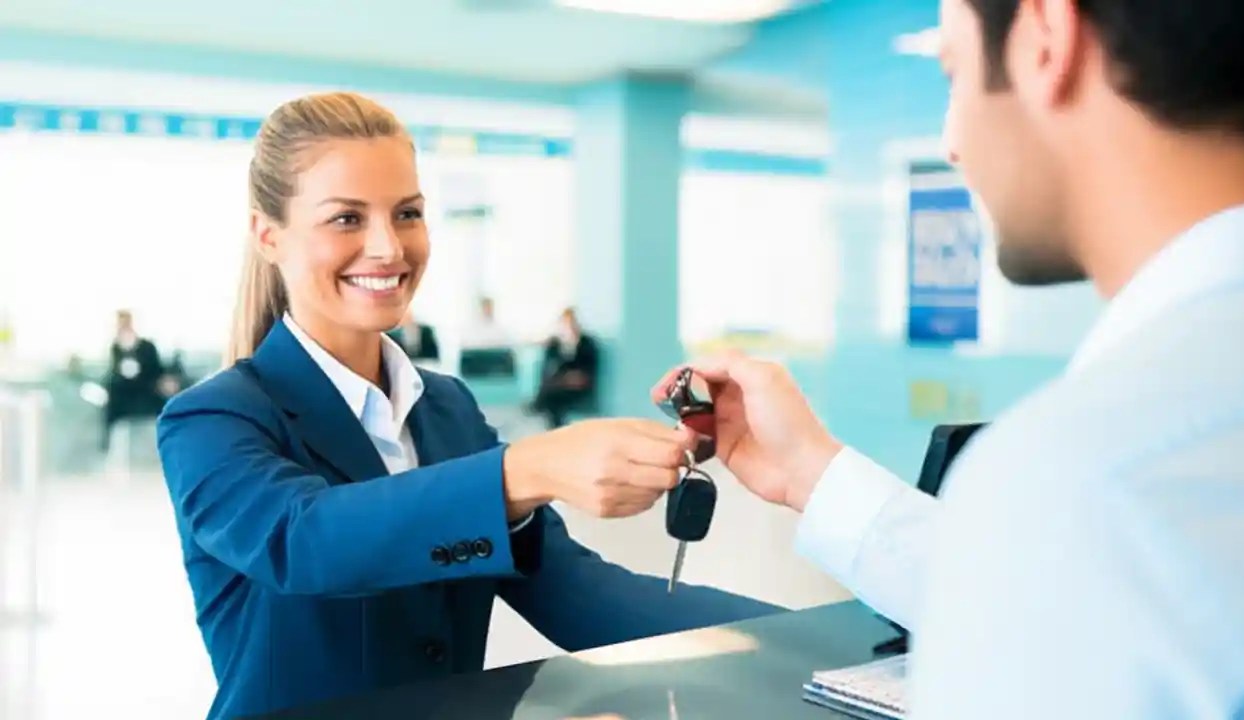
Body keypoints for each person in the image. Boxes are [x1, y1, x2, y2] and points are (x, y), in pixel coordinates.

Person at [653, 0, 1244, 718]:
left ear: (1046, 38)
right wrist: (810, 473)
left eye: (952, 72)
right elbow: (1059, 606)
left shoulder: (1091, 480)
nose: (952, 143)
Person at [157, 92, 779, 720]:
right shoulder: (212, 419)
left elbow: (577, 594)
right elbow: (304, 541)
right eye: (346, 218)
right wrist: (524, 471)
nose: (388, 247)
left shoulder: (447, 408)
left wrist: (801, 636)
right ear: (269, 235)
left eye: (407, 213)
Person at [102, 309, 164, 451]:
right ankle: (107, 444)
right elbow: (115, 372)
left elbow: (156, 371)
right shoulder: (116, 347)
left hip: (146, 392)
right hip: (125, 395)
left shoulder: (147, 347)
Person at [531, 308, 599, 428]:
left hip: (577, 387)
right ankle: (553, 423)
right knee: (552, 392)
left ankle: (540, 406)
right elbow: (549, 367)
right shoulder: (555, 344)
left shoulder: (586, 343)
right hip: (560, 382)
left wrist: (575, 378)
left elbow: (588, 371)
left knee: (552, 397)